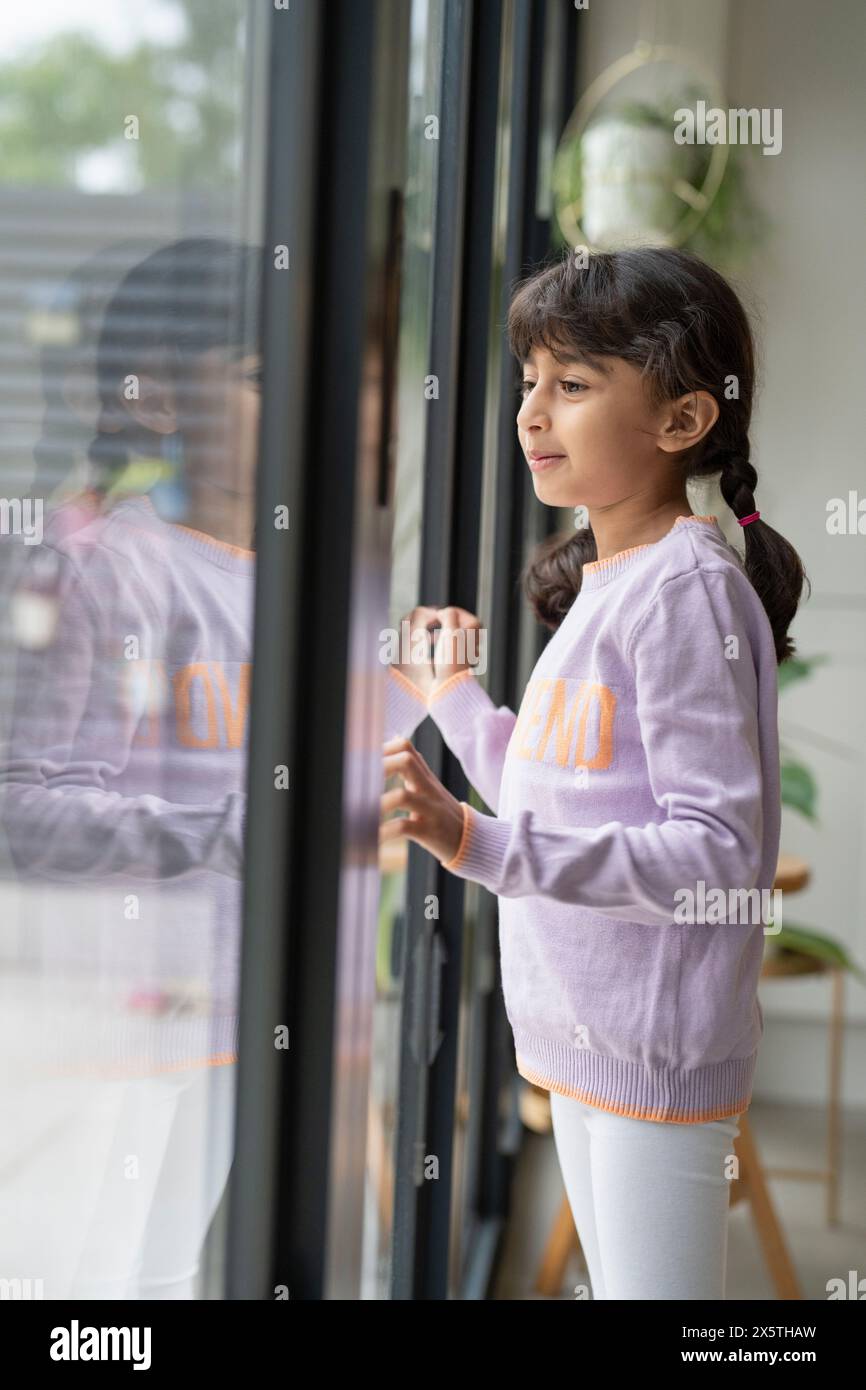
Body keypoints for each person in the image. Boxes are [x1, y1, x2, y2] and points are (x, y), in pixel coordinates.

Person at [379, 245, 809, 1300]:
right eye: (529, 381)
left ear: (680, 421)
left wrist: (467, 842)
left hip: (650, 1055)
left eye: (571, 385)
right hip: (581, 1036)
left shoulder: (683, 594)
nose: (531, 413)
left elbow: (712, 850)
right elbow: (552, 782)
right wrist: (455, 701)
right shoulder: (614, 583)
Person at [0, 237, 262, 1298]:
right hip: (113, 1028)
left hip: (232, 1020)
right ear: (157, 397)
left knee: (162, 1280)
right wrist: (223, 832)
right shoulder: (108, 570)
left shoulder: (295, 578)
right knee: (88, 1290)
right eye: (254, 372)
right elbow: (24, 804)